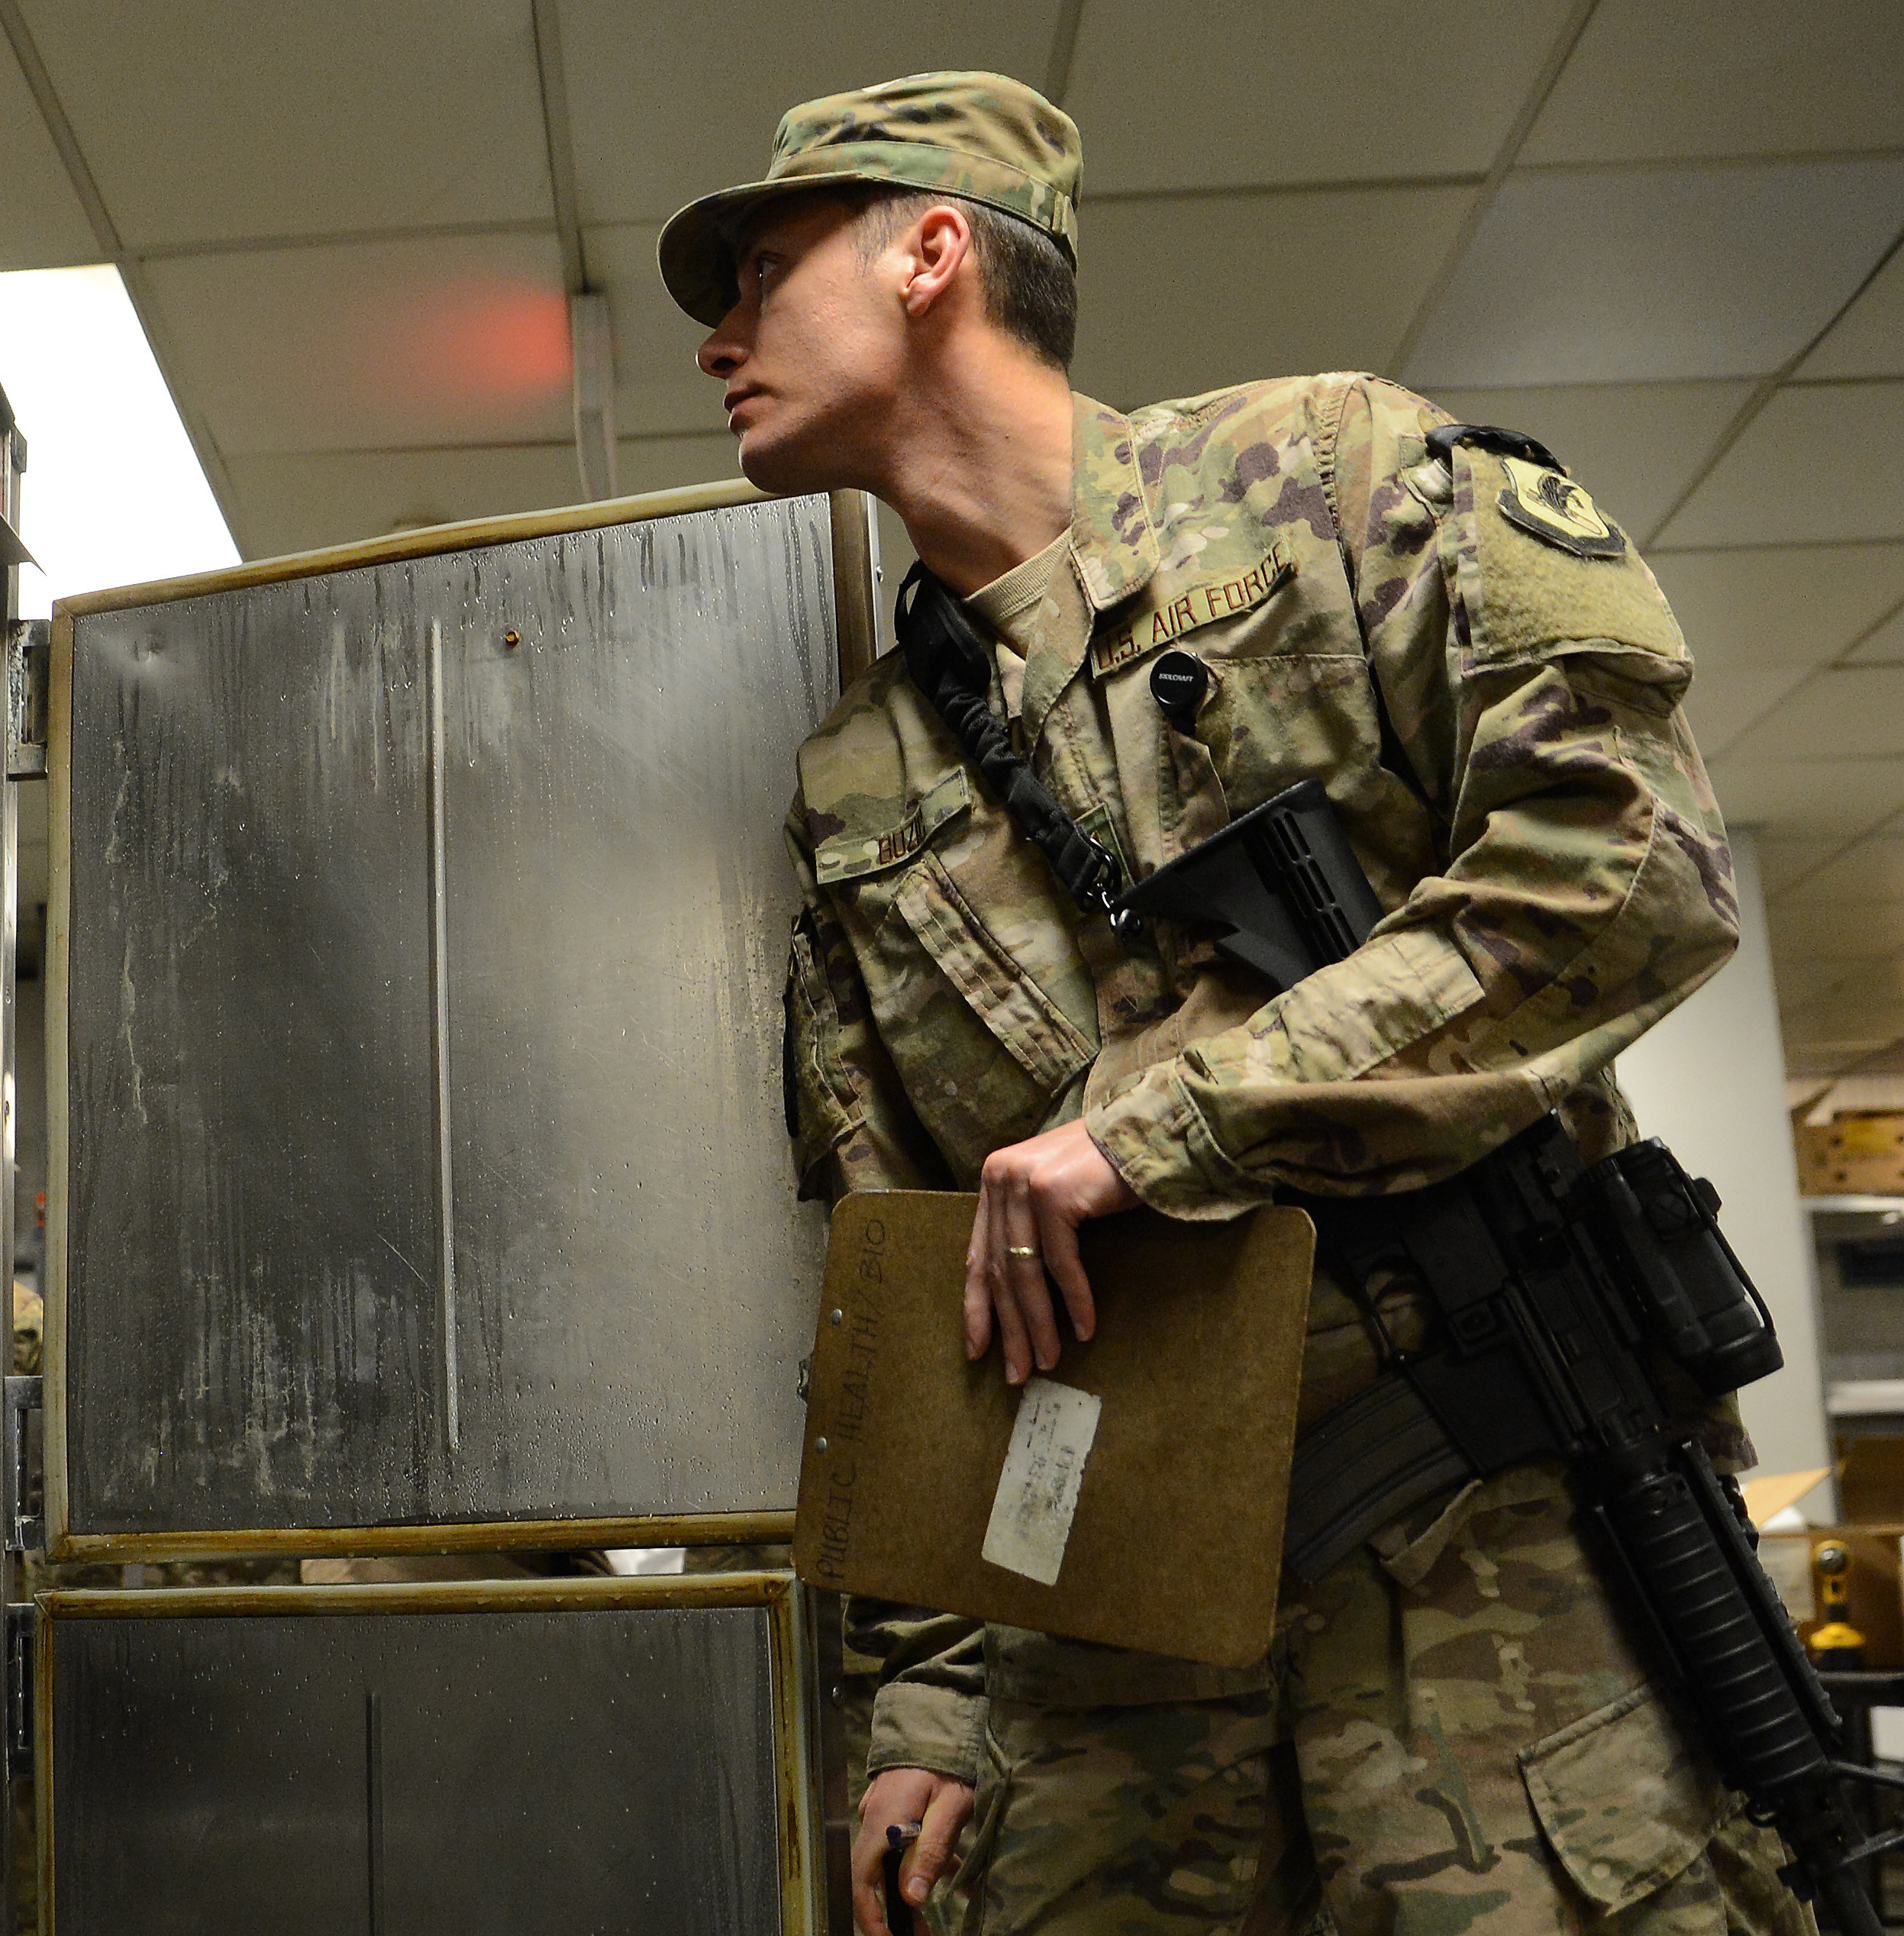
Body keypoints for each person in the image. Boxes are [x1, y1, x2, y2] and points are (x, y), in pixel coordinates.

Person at [657, 71, 1804, 1936]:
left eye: (761, 270)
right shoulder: (859, 776)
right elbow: (909, 1257)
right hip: (1107, 1612)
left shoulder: (1334, 478)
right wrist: (931, 1689)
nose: (716, 336)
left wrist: (1160, 1134)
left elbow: (1627, 870)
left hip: (1494, 1557)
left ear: (929, 251)